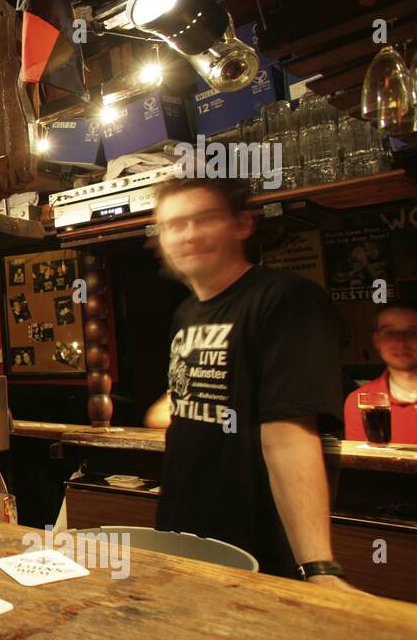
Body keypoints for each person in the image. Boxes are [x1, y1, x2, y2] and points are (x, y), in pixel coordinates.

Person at [142, 174, 355, 589]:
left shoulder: (285, 299)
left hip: (259, 545)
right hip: (184, 531)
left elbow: (289, 434)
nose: (189, 235)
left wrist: (317, 567)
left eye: (204, 219)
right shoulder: (187, 313)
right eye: (174, 225)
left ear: (242, 224)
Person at [344, 301, 417, 445]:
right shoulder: (358, 401)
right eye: (389, 333)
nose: (400, 342)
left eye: (414, 332)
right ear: (376, 340)